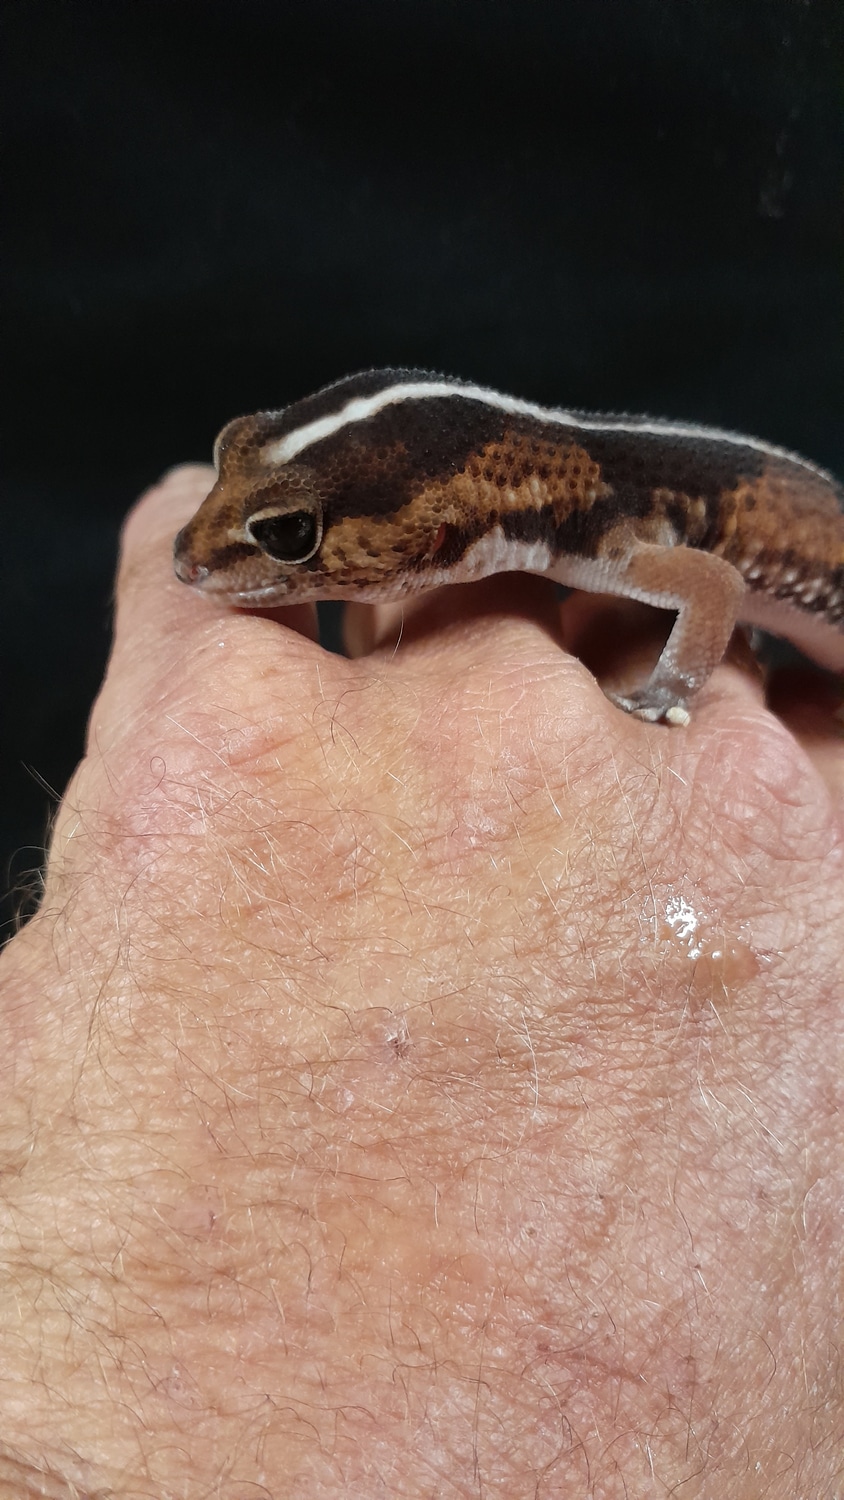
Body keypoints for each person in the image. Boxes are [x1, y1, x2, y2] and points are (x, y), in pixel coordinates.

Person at [1, 463, 841, 1498]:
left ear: (445, 530)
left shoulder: (619, 536)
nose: (204, 563)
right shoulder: (560, 528)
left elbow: (707, 591)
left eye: (292, 537)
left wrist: (668, 697)